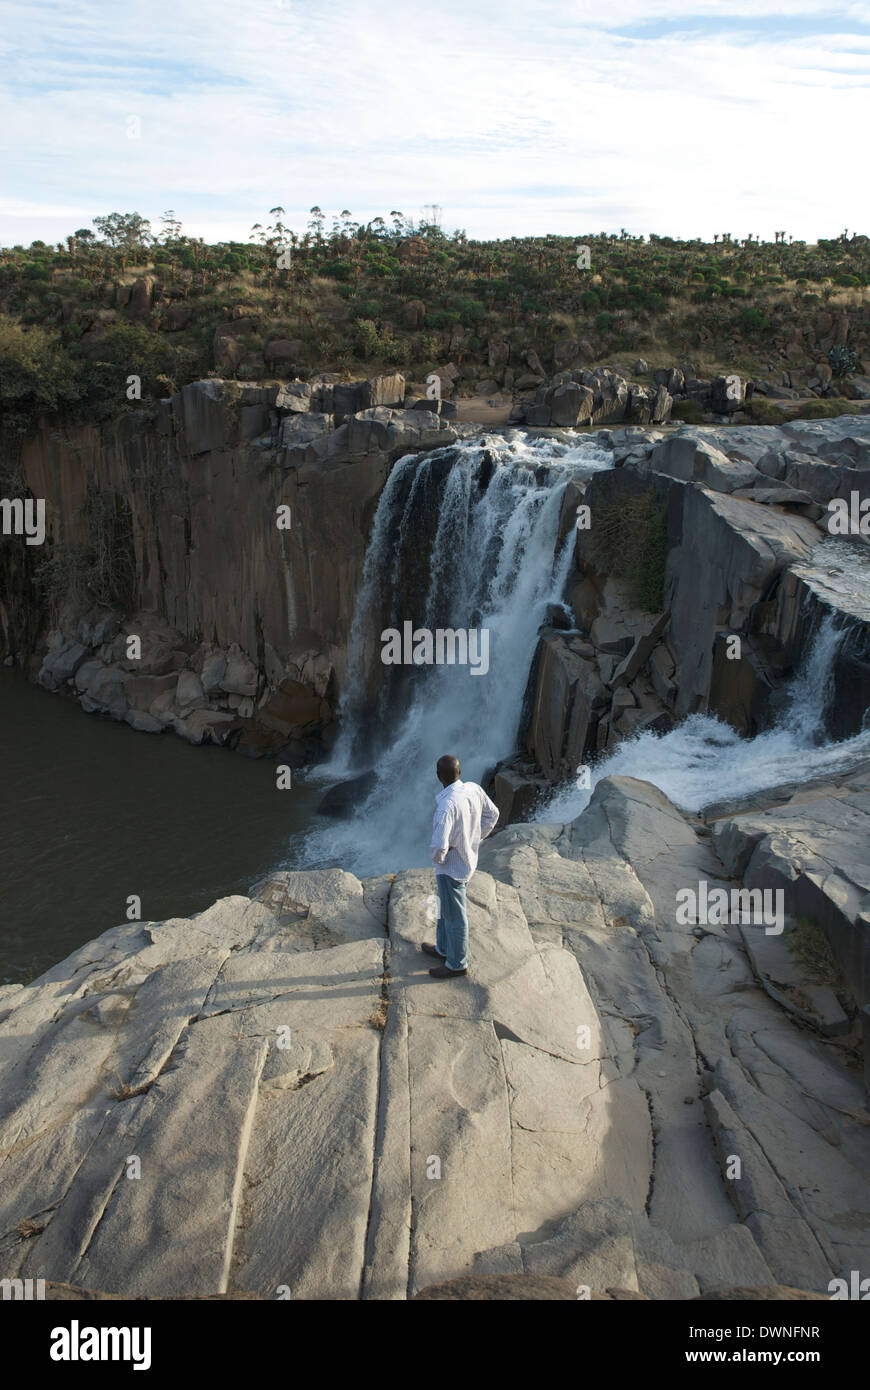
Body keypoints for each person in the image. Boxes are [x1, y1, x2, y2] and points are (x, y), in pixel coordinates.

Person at [424, 754, 500, 978]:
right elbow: (493, 814)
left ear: (439, 776)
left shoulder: (446, 807)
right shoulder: (473, 789)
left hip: (451, 868)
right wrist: (476, 838)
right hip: (467, 860)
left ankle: (457, 964)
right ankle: (443, 949)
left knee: (456, 916)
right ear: (460, 772)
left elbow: (438, 846)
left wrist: (439, 859)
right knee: (445, 908)